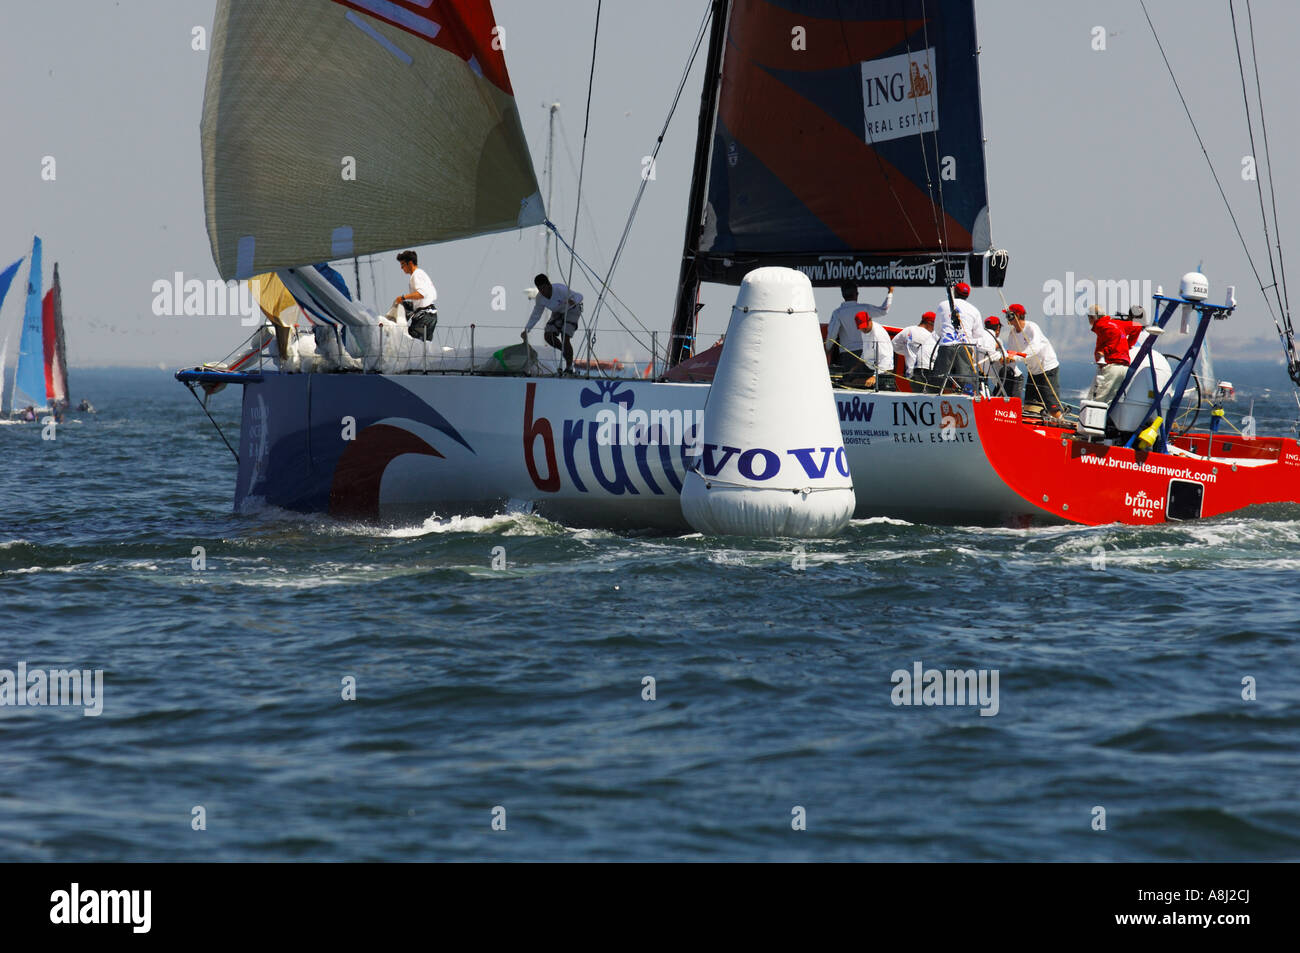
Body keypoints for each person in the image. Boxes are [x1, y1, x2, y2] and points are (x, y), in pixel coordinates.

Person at [1003, 303, 1063, 420]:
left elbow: (1033, 349)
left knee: (1052, 405)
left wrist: (1015, 357)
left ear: (1018, 316)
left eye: (1009, 315)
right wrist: (1005, 361)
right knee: (1030, 405)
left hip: (1047, 369)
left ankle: (1060, 422)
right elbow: (1011, 354)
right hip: (1033, 371)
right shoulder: (1012, 334)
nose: (1007, 318)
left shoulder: (1031, 328)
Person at [522, 273, 583, 375]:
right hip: (558, 311)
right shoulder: (540, 298)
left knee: (565, 336)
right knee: (548, 336)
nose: (543, 292)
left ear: (549, 285)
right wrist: (527, 329)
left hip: (572, 309)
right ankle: (564, 351)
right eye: (540, 289)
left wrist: (573, 301)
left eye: (544, 289)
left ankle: (569, 367)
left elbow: (579, 296)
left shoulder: (560, 289)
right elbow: (536, 314)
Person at [825, 283, 893, 371]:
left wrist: (827, 350)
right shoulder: (864, 308)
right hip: (866, 352)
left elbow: (832, 335)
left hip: (848, 355)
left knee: (850, 381)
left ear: (843, 295)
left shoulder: (838, 313)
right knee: (868, 382)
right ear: (856, 294)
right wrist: (890, 292)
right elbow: (884, 310)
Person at [931, 281, 980, 392]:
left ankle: (940, 396)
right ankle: (969, 394)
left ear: (954, 292)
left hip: (946, 346)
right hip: (965, 347)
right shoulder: (974, 310)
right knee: (966, 379)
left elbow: (937, 329)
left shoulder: (943, 305)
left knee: (940, 380)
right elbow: (978, 334)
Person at [1086, 304, 1131, 404]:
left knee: (1095, 400)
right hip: (1123, 368)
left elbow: (1113, 338)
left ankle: (1090, 420)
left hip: (1111, 366)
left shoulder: (1102, 325)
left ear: (1093, 317)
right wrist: (1129, 345)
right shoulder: (1115, 323)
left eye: (1088, 317)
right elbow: (1137, 327)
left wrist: (1104, 352)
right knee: (1107, 402)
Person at [392, 250, 438, 340]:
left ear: (410, 263)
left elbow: (421, 294)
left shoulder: (416, 275)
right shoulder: (422, 273)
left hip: (424, 317)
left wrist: (403, 297)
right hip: (432, 316)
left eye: (403, 264)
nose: (401, 268)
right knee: (424, 345)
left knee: (413, 342)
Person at [978, 314, 1023, 398]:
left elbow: (1004, 360)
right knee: (999, 400)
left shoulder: (996, 341)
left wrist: (1000, 355)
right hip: (1001, 379)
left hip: (1013, 377)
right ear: (998, 328)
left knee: (1012, 404)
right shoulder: (991, 339)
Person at [891, 311, 936, 390]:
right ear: (929, 323)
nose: (934, 328)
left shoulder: (908, 330)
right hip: (926, 372)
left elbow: (894, 345)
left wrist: (907, 352)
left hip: (910, 374)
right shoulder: (931, 336)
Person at [855, 307, 895, 390]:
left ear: (870, 320)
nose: (863, 329)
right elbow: (866, 349)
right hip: (871, 368)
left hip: (883, 372)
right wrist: (858, 364)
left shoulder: (878, 334)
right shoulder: (864, 331)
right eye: (861, 327)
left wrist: (874, 377)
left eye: (865, 326)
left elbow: (886, 358)